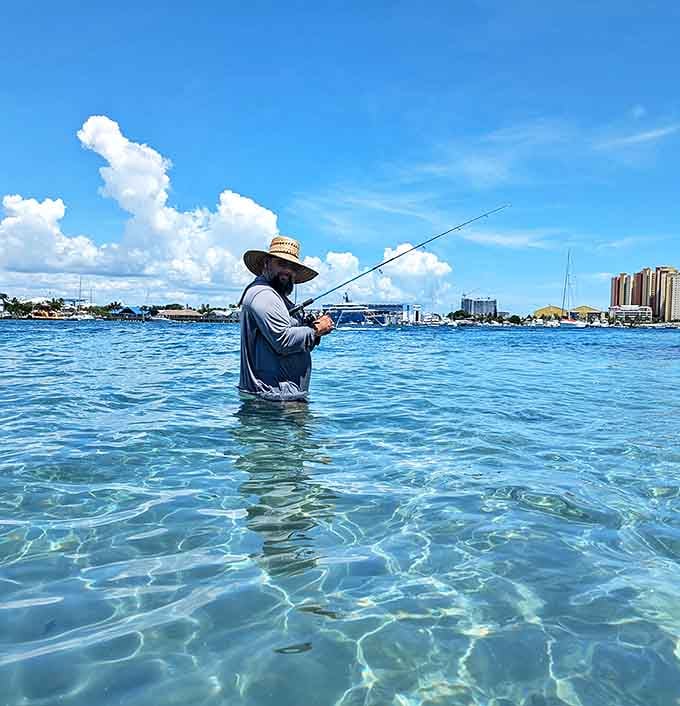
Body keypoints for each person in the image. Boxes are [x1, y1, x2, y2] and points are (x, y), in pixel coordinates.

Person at [238, 236, 333, 401]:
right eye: (281, 263)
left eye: (292, 267)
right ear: (266, 263)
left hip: (279, 398)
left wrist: (309, 330)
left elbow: (288, 340)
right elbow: (283, 340)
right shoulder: (264, 295)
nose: (287, 271)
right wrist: (316, 330)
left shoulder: (276, 296)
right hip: (273, 401)